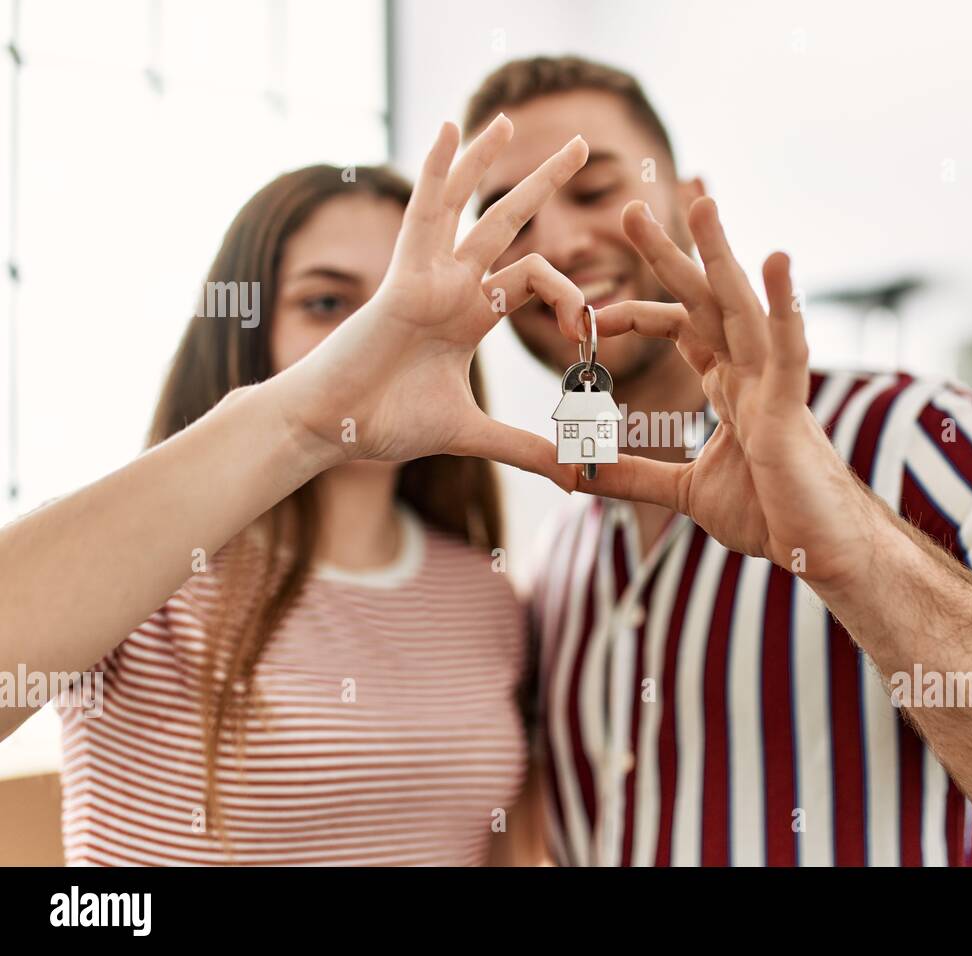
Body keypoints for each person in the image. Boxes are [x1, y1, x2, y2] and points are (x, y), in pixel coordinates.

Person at [462, 56, 972, 866]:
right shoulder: (561, 555)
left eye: (592, 192)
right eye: (512, 219)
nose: (557, 242)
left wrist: (858, 554)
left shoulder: (926, 441)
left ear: (688, 200)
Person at [0, 117, 591, 864]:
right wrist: (304, 422)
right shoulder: (143, 569)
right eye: (326, 305)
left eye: (398, 304)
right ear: (245, 334)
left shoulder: (487, 598)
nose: (377, 340)